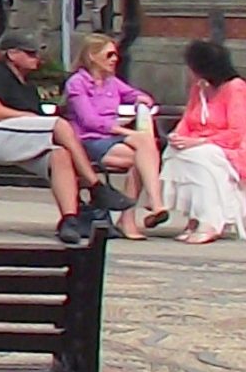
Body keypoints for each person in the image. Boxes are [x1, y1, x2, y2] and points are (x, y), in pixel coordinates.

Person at [0, 29, 132, 246]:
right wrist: (33, 118)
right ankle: (95, 187)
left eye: (37, 53)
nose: (37, 58)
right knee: (59, 125)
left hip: (22, 140)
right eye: (30, 53)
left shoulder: (28, 87)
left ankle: (69, 220)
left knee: (60, 155)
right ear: (12, 54)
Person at [160, 39, 246, 245]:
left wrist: (200, 142)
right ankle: (194, 216)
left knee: (202, 157)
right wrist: (178, 136)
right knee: (175, 154)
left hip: (237, 146)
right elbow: (188, 119)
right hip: (201, 141)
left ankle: (211, 221)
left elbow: (236, 132)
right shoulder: (199, 88)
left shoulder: (236, 88)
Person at [59, 32, 166, 238]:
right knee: (145, 152)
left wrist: (141, 99)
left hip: (110, 138)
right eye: (109, 55)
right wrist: (124, 130)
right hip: (88, 139)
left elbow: (134, 94)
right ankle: (150, 206)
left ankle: (143, 211)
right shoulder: (77, 83)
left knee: (143, 155)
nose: (115, 59)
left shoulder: (111, 82)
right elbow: (90, 121)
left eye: (116, 54)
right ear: (92, 56)